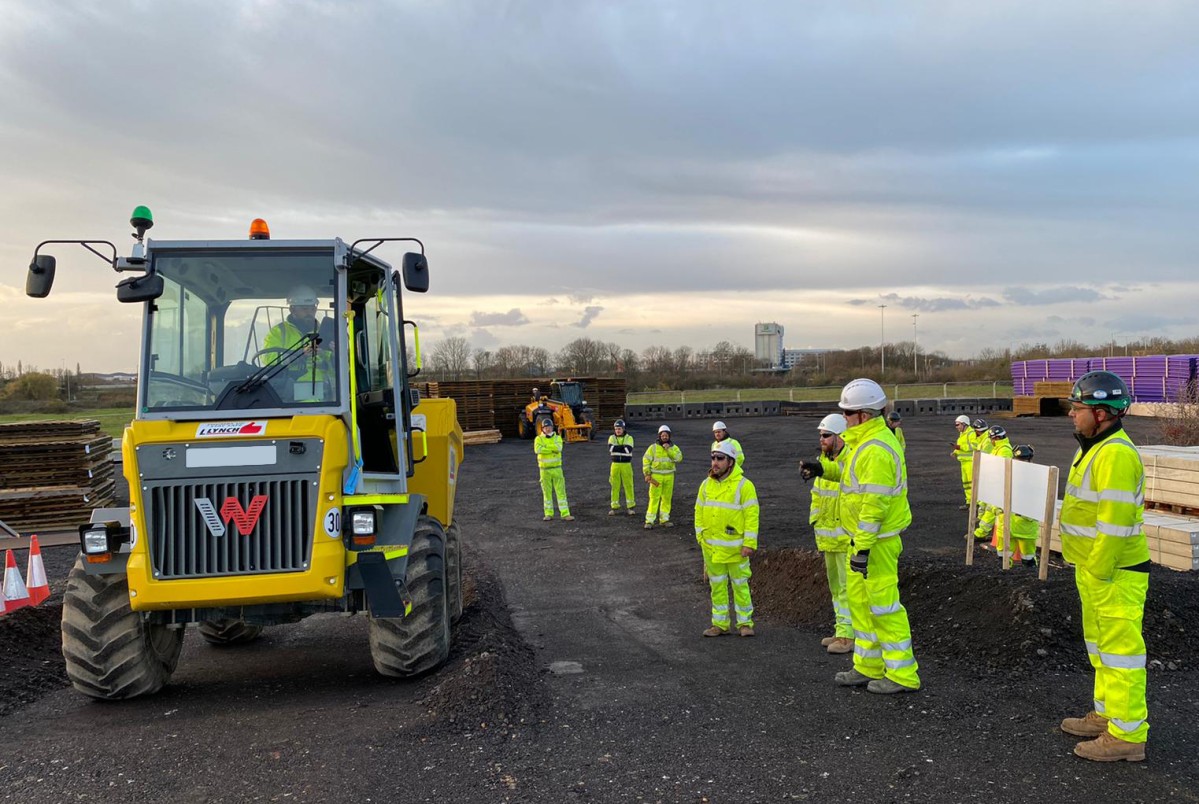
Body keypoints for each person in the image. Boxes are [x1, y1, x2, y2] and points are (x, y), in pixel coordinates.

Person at [801, 378, 920, 694]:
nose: (844, 418)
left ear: (864, 415)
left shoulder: (876, 449)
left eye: (848, 413)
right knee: (861, 607)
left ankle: (902, 675)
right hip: (862, 540)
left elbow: (874, 505)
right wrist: (823, 470)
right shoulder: (863, 443)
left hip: (876, 543)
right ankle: (867, 666)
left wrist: (863, 549)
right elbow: (853, 479)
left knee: (884, 607)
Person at [1058, 371, 1149, 762]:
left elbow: (1114, 524)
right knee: (1102, 650)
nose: (1072, 415)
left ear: (1101, 413)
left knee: (1121, 653)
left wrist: (1096, 568)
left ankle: (1128, 736)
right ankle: (1108, 716)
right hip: (1095, 569)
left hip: (1112, 571)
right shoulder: (1095, 446)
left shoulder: (1114, 454)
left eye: (1077, 409)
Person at [695, 440, 759, 637]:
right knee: (717, 587)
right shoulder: (706, 485)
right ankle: (720, 624)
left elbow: (751, 515)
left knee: (740, 586)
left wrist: (749, 543)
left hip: (736, 549)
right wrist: (700, 536)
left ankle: (745, 623)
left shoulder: (744, 486)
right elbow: (699, 511)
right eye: (713, 458)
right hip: (712, 548)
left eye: (720, 458)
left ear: (730, 462)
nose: (715, 462)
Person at [808, 413, 853, 654]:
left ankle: (848, 635)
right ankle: (841, 629)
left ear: (840, 437)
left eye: (826, 435)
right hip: (827, 537)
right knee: (836, 588)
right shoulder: (821, 463)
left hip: (845, 538)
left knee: (849, 589)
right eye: (820, 435)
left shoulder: (849, 463)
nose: (821, 439)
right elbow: (818, 497)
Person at [263, 284, 332, 401]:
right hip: (290, 396)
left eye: (312, 308)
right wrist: (299, 354)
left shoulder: (326, 333)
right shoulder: (279, 332)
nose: (310, 313)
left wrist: (334, 354)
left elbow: (340, 370)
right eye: (305, 309)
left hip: (325, 397)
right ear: (292, 309)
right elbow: (268, 359)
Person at [972, 425, 1015, 556]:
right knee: (989, 508)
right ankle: (981, 532)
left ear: (996, 438)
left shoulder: (1004, 450)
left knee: (993, 510)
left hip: (999, 485)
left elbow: (1001, 468)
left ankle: (981, 533)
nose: (990, 440)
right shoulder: (998, 448)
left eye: (991, 438)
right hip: (996, 484)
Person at [643, 425, 683, 529]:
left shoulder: (674, 448)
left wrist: (669, 450)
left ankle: (664, 519)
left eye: (666, 435)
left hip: (669, 476)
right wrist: (647, 473)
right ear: (659, 436)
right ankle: (649, 520)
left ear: (669, 436)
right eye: (663, 435)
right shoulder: (653, 448)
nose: (664, 437)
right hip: (656, 476)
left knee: (667, 498)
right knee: (654, 498)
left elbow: (679, 458)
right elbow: (646, 460)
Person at [534, 417, 573, 522]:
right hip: (544, 470)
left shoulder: (558, 438)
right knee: (547, 493)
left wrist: (545, 447)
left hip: (557, 469)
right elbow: (538, 450)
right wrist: (552, 449)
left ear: (552, 427)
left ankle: (565, 514)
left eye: (549, 427)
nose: (548, 429)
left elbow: (559, 448)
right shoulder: (538, 439)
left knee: (561, 492)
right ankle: (548, 514)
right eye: (546, 427)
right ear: (542, 428)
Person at [607, 419, 636, 516]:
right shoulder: (611, 437)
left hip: (626, 465)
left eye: (619, 429)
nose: (618, 431)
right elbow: (611, 448)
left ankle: (630, 507)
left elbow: (628, 450)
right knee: (614, 486)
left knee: (629, 485)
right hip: (615, 465)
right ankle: (614, 507)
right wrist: (622, 447)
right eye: (616, 429)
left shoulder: (629, 438)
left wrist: (617, 447)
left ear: (623, 429)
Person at [951, 414, 973, 510]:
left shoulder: (971, 434)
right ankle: (969, 502)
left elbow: (974, 446)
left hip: (971, 462)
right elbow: (960, 445)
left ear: (964, 424)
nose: (956, 427)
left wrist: (960, 448)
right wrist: (955, 452)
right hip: (964, 462)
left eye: (958, 425)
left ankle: (976, 503)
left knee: (973, 484)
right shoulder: (962, 434)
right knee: (967, 484)